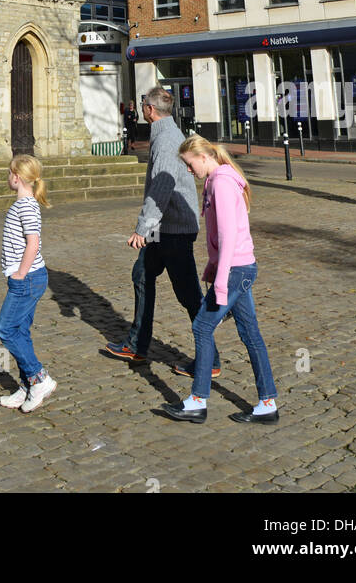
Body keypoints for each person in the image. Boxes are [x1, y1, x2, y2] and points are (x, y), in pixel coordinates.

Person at [104, 86, 220, 380]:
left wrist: (142, 229)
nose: (142, 109)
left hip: (173, 230)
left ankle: (210, 360)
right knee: (141, 275)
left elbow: (161, 189)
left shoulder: (167, 139)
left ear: (150, 110)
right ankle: (137, 344)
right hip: (163, 228)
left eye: (143, 105)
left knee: (189, 295)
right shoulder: (164, 133)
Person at [162, 136, 278, 424]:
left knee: (202, 326)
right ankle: (268, 403)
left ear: (203, 157)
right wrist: (212, 268)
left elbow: (227, 237)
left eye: (190, 164)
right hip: (239, 267)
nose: (189, 170)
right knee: (250, 334)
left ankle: (197, 401)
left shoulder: (222, 183)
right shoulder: (217, 180)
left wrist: (221, 279)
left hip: (237, 270)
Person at [0, 154, 56, 413]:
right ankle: (27, 385)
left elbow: (33, 242)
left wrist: (20, 272)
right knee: (20, 332)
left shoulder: (26, 206)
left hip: (28, 279)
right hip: (26, 278)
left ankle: (39, 378)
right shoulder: (22, 203)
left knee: (6, 329)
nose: (8, 177)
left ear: (16, 177)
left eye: (10, 173)